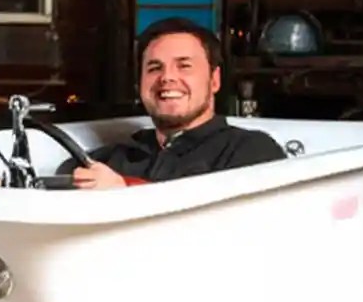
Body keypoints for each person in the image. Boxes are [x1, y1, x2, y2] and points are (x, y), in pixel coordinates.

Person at [56, 16, 288, 188]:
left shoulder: (251, 151)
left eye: (184, 66)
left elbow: (228, 229)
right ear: (140, 84)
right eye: (154, 68)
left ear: (214, 80)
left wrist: (124, 192)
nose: (167, 77)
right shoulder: (110, 159)